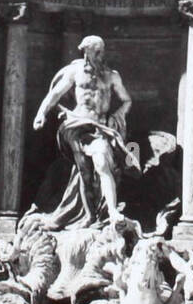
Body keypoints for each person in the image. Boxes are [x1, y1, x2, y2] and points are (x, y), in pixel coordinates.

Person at [31, 35, 136, 229]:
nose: (100, 55)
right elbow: (54, 95)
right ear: (86, 51)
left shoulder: (112, 75)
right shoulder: (75, 72)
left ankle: (112, 211)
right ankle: (89, 215)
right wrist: (41, 114)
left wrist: (118, 115)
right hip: (77, 126)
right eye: (97, 51)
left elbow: (127, 100)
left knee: (102, 161)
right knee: (85, 173)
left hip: (100, 128)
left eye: (102, 51)